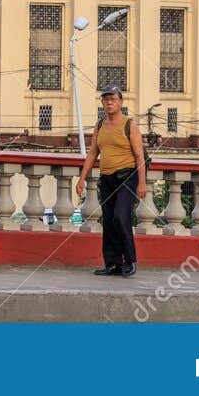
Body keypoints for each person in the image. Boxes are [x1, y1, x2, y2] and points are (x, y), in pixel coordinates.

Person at [74, 85, 147, 277]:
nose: (109, 102)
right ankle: (113, 263)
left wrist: (142, 183)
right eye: (106, 99)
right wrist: (82, 179)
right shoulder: (100, 125)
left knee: (121, 218)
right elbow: (92, 153)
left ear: (121, 102)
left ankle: (130, 261)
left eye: (112, 99)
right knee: (108, 221)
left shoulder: (130, 125)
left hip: (127, 178)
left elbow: (140, 157)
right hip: (107, 180)